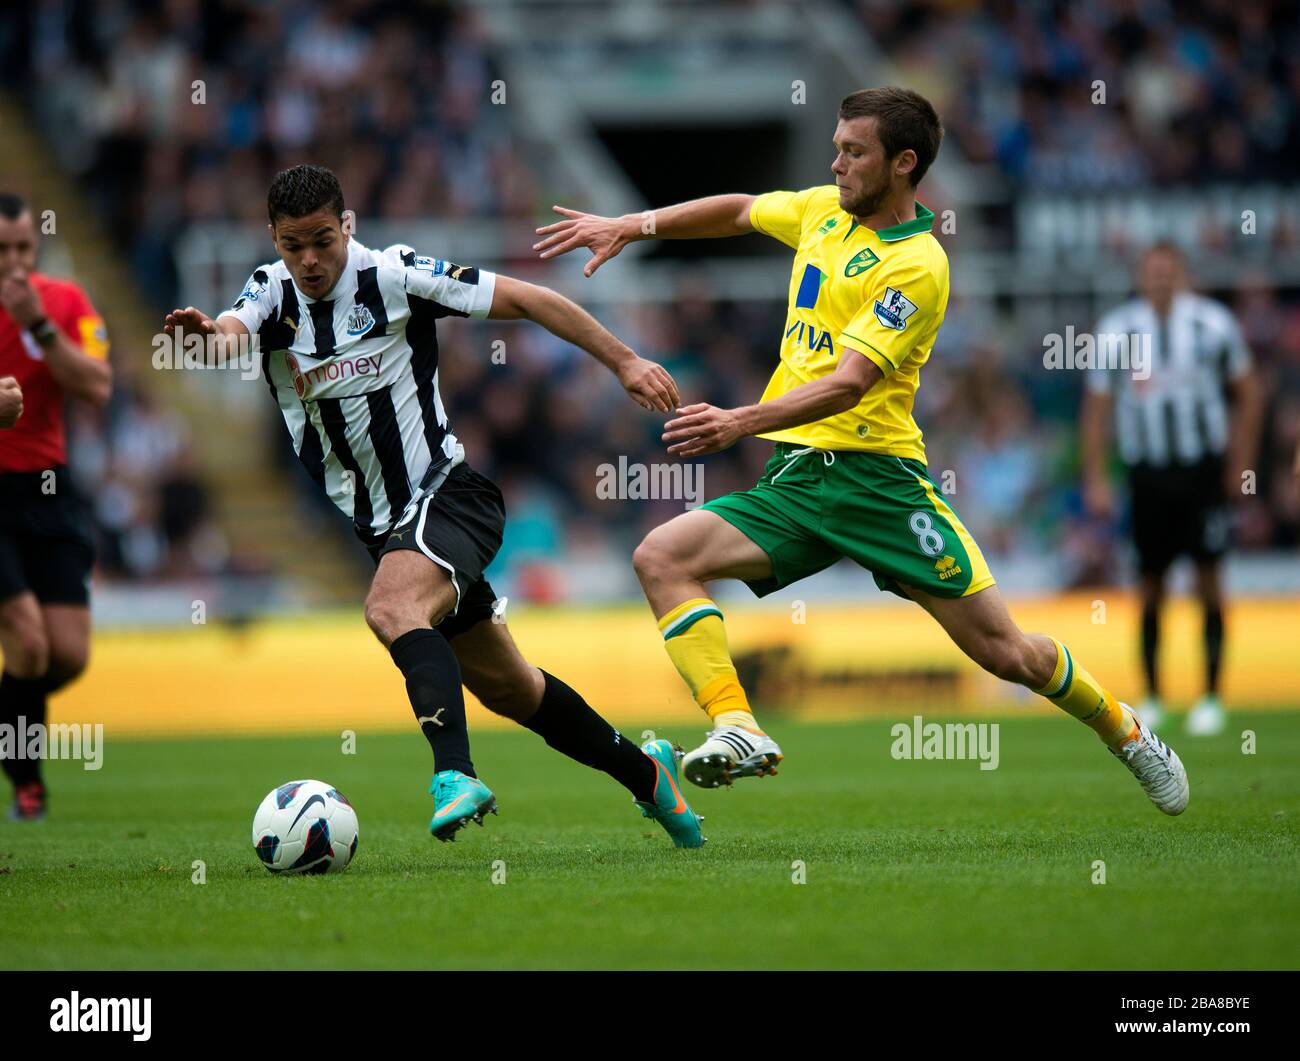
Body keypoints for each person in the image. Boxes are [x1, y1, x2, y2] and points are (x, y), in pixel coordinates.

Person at [535, 86, 1189, 815]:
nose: (837, 163)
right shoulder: (823, 211)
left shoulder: (918, 266)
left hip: (880, 485)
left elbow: (850, 384)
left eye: (854, 152)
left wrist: (739, 422)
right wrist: (634, 224)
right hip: (798, 480)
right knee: (662, 555)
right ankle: (738, 724)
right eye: (837, 147)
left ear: (903, 164)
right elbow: (744, 208)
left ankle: (1125, 731)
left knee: (1008, 653)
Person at [164, 165, 703, 847]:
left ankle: (455, 773)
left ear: (348, 227)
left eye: (323, 241)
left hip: (449, 496)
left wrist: (626, 361)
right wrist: (206, 337)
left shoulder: (392, 275)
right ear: (273, 239)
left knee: (390, 608)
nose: (309, 260)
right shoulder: (271, 292)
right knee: (513, 689)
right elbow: (232, 333)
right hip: (388, 530)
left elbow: (532, 299)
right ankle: (648, 775)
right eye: (292, 244)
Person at [1081, 243, 1261, 737]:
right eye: (1151, 272)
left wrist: (1239, 466)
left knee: (1208, 582)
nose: (1159, 280)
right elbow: (1096, 408)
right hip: (1147, 474)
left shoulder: (1212, 326)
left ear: (1182, 275)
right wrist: (1097, 476)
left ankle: (1210, 696)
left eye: (1168, 272)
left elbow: (1250, 393)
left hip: (1201, 472)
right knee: (1151, 586)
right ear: (1141, 277)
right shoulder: (1118, 330)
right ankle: (1155, 695)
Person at [0, 192, 113, 820]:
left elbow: (97, 385)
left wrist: (39, 326)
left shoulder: (64, 302)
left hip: (47, 489)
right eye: (2, 251)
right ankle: (28, 783)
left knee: (66, 653)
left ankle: (8, 728)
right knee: (26, 638)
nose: (13, 263)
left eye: (23, 249)